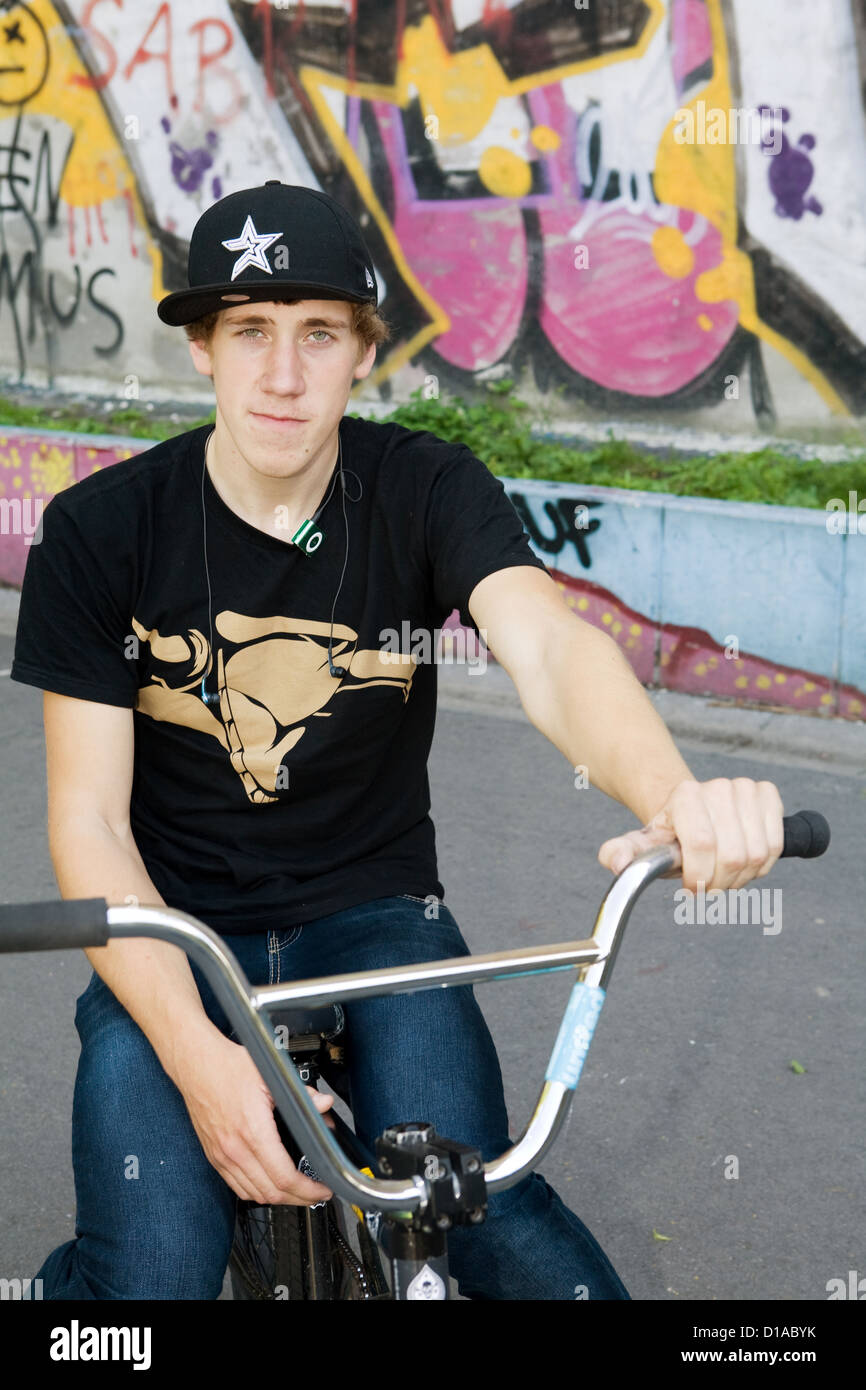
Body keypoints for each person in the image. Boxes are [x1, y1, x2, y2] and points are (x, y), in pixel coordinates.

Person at [11, 180, 785, 1301]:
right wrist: (196, 1055)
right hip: (176, 937)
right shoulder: (98, 530)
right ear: (201, 349)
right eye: (250, 333)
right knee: (150, 1277)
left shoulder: (423, 487)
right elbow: (84, 819)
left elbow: (547, 647)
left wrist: (674, 796)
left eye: (317, 333)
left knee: (479, 1203)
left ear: (363, 350)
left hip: (379, 919)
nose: (283, 373)